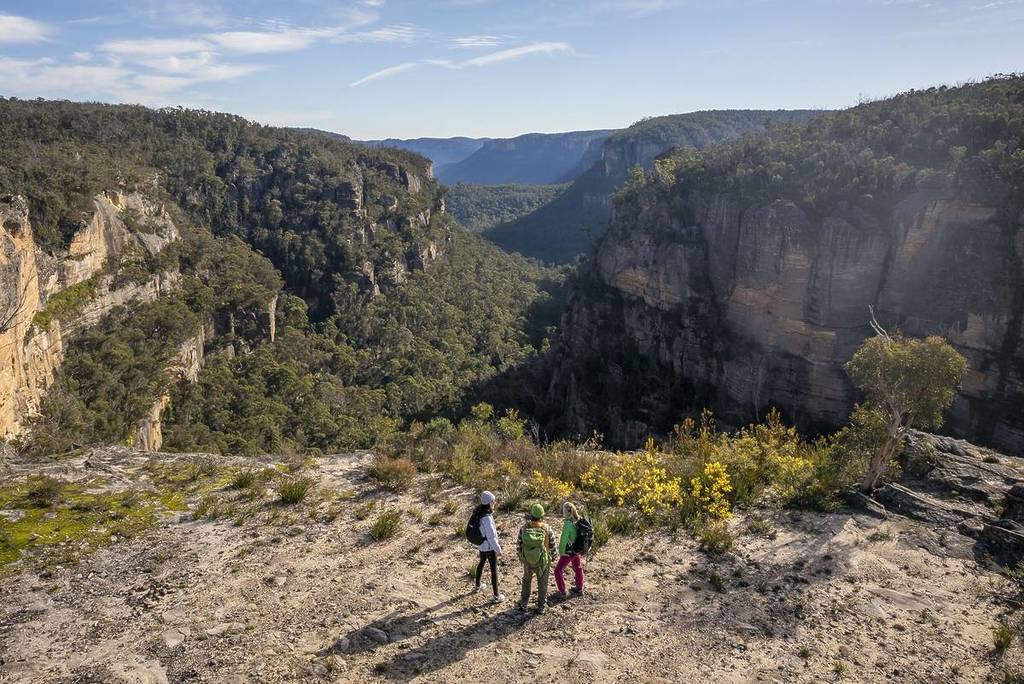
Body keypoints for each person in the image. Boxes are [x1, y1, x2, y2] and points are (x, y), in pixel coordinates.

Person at [517, 503, 557, 614]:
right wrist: (553, 556)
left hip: (527, 560)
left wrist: (521, 557)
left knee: (526, 580)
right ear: (542, 515)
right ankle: (541, 606)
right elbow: (553, 545)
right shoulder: (547, 528)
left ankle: (523, 604)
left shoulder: (524, 528)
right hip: (543, 561)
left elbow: (519, 544)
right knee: (542, 583)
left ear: (531, 515)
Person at [473, 491, 505, 603]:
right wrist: (498, 549)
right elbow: (491, 536)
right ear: (489, 503)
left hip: (482, 545)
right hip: (489, 547)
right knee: (493, 570)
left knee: (481, 562)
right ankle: (496, 596)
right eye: (493, 501)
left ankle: (478, 585)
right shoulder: (487, 517)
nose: (494, 503)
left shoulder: (479, 512)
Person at [552, 502, 585, 600]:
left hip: (569, 551)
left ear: (567, 511)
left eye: (563, 510)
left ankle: (562, 592)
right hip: (577, 549)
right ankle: (579, 588)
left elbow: (563, 540)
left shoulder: (567, 524)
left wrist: (561, 552)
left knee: (558, 571)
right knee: (578, 568)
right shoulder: (577, 520)